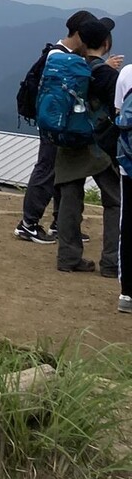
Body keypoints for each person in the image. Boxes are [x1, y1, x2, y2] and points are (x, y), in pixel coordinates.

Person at [14, 10, 114, 243]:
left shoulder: (59, 55)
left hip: (58, 122)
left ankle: (61, 224)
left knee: (61, 170)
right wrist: (103, 68)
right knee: (47, 168)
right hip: (56, 123)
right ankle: (28, 223)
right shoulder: (61, 57)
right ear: (80, 35)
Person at [49, 18, 122, 275]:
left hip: (68, 141)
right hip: (98, 146)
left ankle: (68, 257)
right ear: (105, 43)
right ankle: (112, 262)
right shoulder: (105, 73)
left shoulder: (69, 67)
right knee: (115, 202)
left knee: (69, 199)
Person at [114, 62, 132, 314]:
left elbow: (119, 115)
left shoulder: (127, 72)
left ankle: (127, 293)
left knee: (128, 225)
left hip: (129, 165)